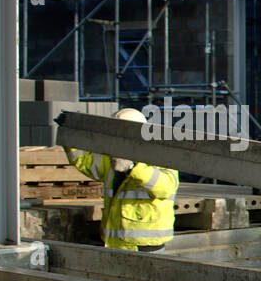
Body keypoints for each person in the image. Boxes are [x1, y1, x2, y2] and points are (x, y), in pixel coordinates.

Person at [64, 107, 179, 252]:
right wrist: (70, 134)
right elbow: (84, 161)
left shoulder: (159, 154)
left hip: (144, 245)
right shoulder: (112, 156)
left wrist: (132, 168)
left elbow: (165, 187)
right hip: (115, 243)